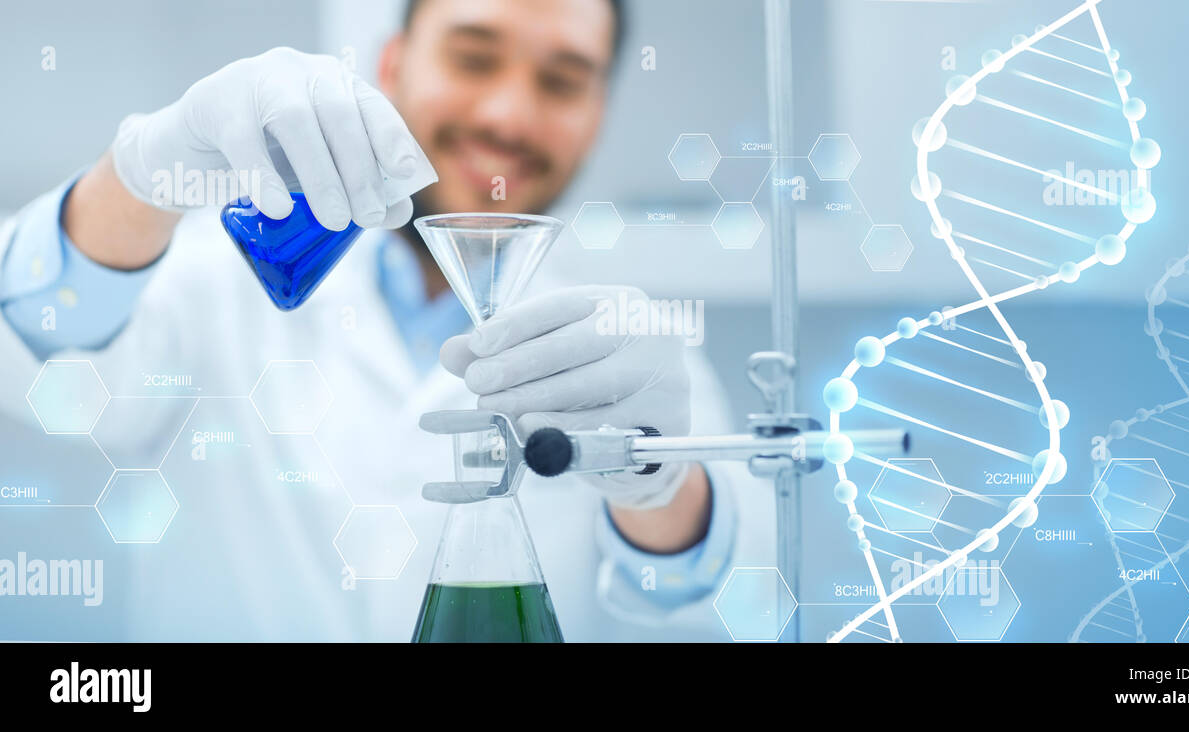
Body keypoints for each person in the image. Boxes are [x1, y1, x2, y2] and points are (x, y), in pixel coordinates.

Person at [0, 0, 773, 641]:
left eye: (563, 81)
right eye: (474, 58)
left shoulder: (624, 354)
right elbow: (40, 350)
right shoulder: (211, 281)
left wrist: (660, 487)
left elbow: (734, 608)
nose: (509, 114)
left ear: (599, 108)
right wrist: (140, 178)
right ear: (393, 66)